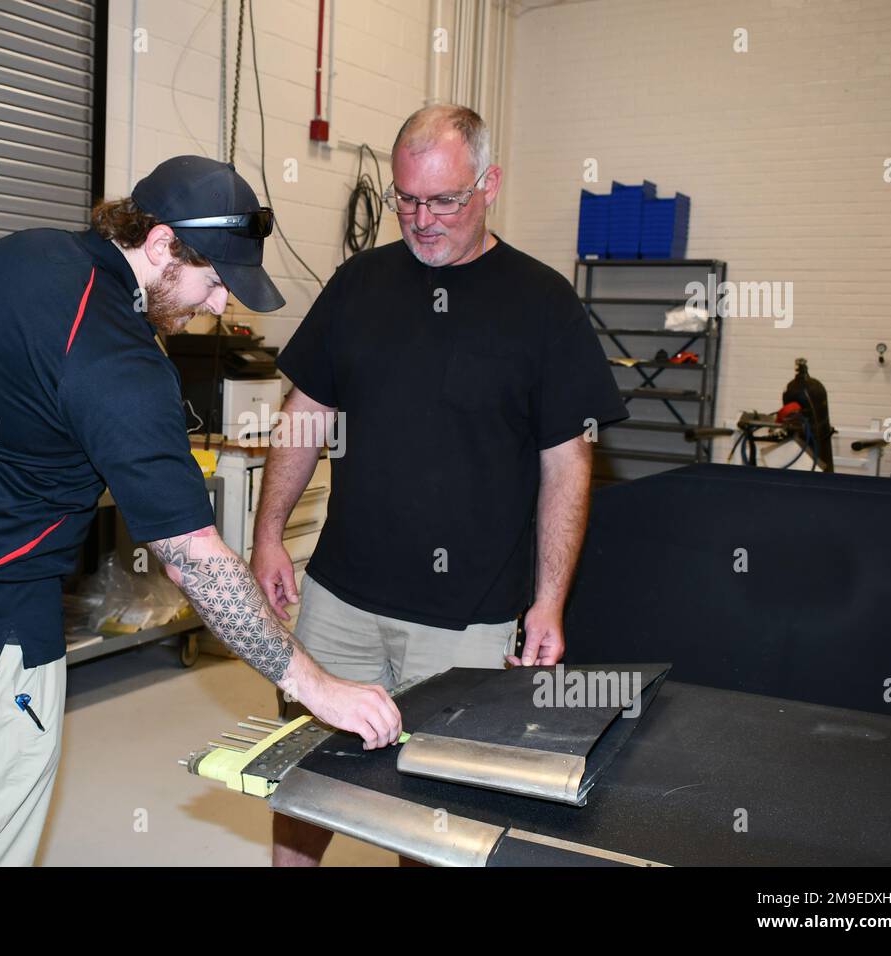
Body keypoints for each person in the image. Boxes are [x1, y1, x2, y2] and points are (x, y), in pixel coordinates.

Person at [0, 155, 402, 866]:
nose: (217, 308)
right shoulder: (123, 362)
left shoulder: (19, 255)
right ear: (160, 244)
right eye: (214, 283)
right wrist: (313, 685)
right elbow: (197, 566)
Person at [251, 106, 629, 866]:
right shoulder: (360, 282)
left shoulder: (543, 304)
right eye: (406, 200)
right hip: (341, 599)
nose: (421, 221)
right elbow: (306, 412)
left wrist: (549, 598)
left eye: (444, 201)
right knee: (303, 779)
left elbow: (568, 461)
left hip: (466, 620)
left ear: (489, 184)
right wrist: (267, 536)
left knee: (433, 810)